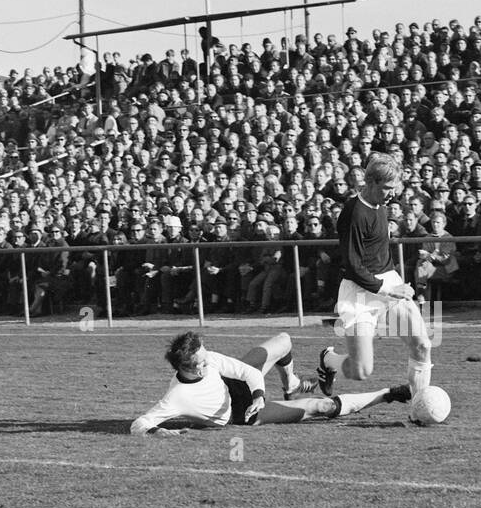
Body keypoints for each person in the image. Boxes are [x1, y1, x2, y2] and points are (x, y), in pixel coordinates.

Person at [131, 331, 410, 435]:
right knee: (321, 406)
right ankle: (388, 394)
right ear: (185, 368)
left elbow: (249, 375)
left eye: (205, 355)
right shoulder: (177, 396)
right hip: (241, 415)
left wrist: (258, 395)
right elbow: (139, 424)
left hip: (242, 391)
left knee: (284, 340)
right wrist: (159, 432)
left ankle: (290, 386)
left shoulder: (209, 358)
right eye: (201, 363)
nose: (208, 361)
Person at [316, 153, 433, 397]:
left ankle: (418, 407)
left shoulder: (381, 205)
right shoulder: (353, 213)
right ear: (370, 183)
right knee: (360, 371)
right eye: (388, 188)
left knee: (422, 345)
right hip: (359, 292)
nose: (393, 194)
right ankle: (329, 361)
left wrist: (395, 283)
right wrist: (389, 289)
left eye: (395, 188)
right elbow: (353, 266)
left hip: (387, 283)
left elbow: (378, 254)